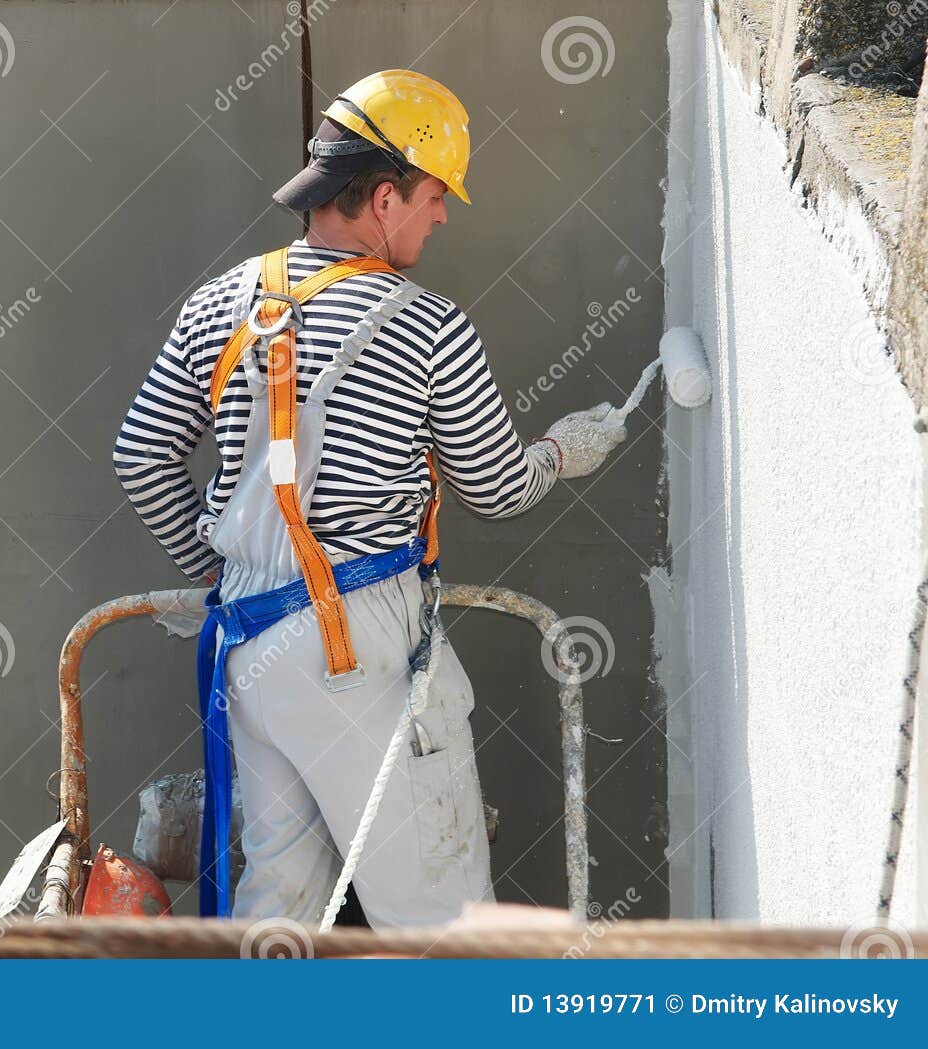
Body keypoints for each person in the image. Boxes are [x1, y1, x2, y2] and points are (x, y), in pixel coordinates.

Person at [115, 69, 628, 929]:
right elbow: (497, 487)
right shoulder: (427, 324)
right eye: (435, 195)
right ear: (385, 197)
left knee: (280, 908)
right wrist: (561, 452)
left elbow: (140, 454)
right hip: (358, 646)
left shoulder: (219, 301)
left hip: (250, 644)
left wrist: (226, 575)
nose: (443, 215)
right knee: (440, 921)